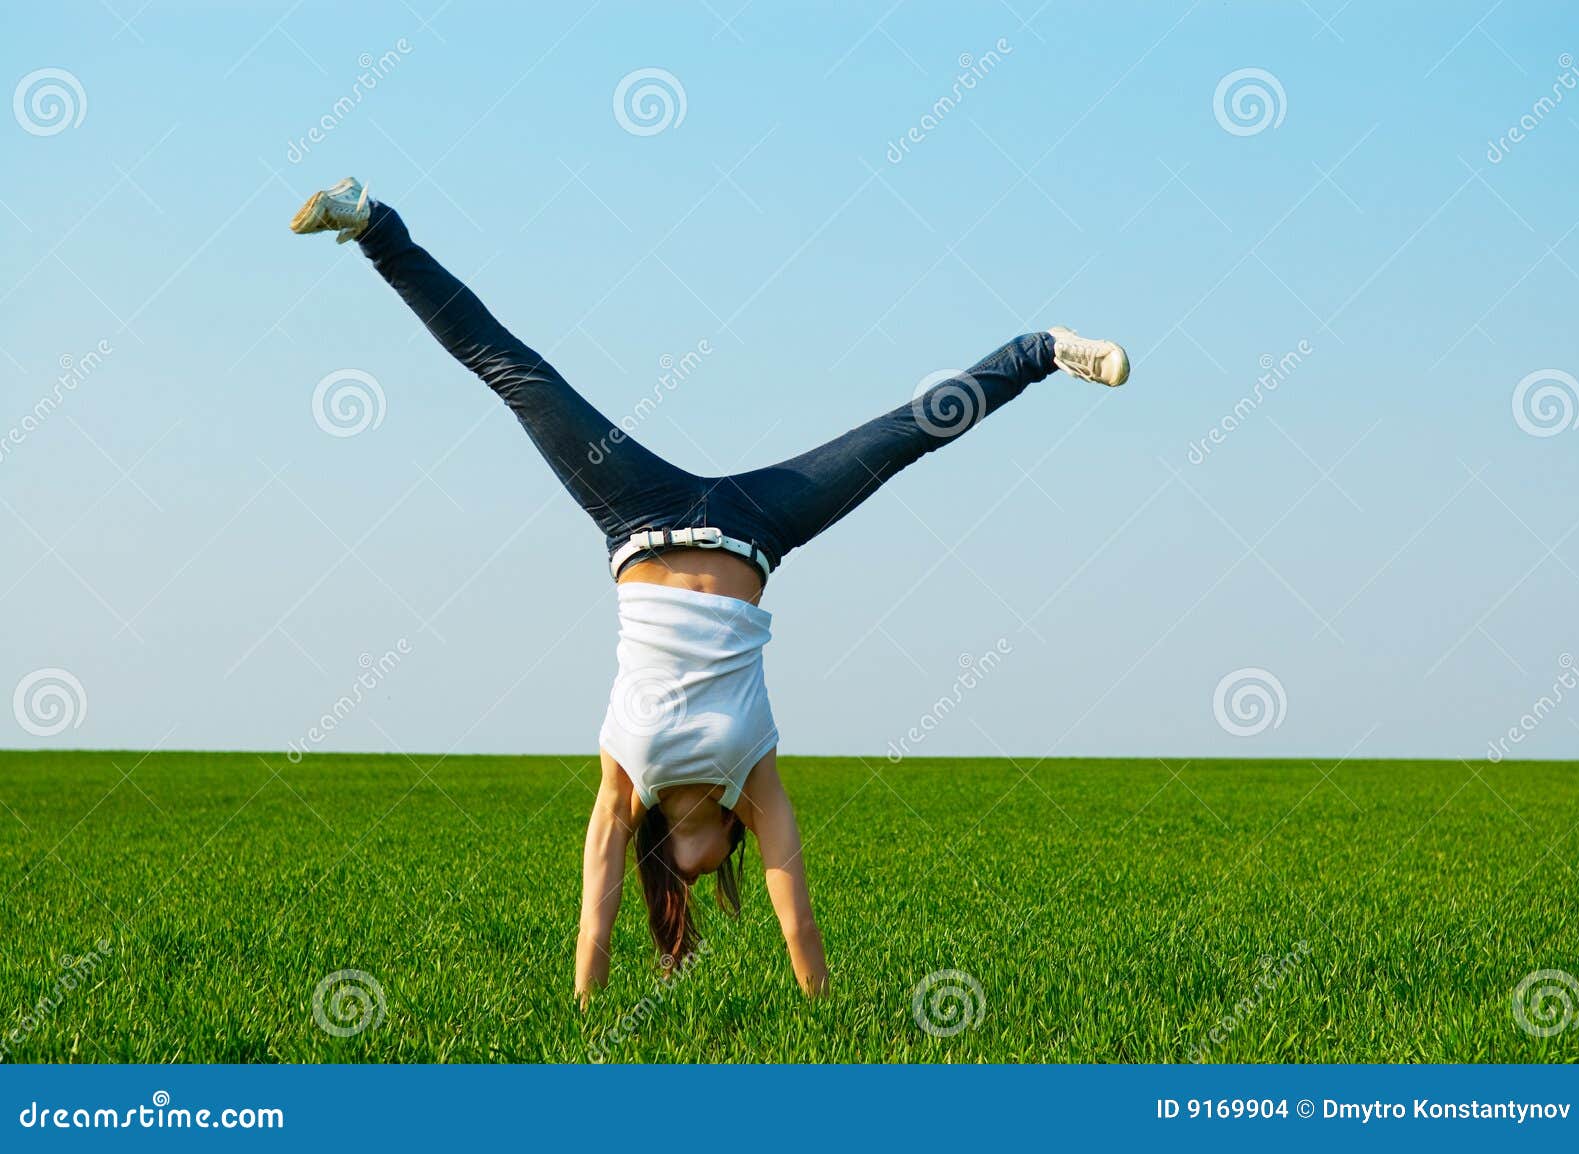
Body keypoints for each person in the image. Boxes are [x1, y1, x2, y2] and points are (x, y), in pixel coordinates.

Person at [290, 177, 1130, 1003]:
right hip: (754, 526)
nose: (699, 882)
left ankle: (372, 227)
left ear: (663, 859)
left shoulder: (624, 784)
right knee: (901, 437)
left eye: (681, 887)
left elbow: (593, 923)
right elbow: (799, 923)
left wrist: (584, 1019)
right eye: (715, 876)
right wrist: (823, 1019)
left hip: (636, 517)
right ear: (733, 841)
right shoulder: (753, 781)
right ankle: (1042, 350)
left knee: (516, 375)